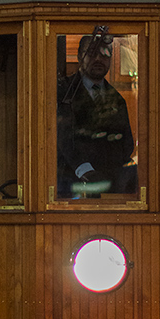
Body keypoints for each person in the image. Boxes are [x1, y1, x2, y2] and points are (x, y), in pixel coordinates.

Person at [57, 29, 136, 197]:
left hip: (109, 190)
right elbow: (61, 138)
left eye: (105, 54)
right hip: (71, 191)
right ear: (79, 57)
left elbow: (127, 143)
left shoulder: (117, 99)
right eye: (92, 53)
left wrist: (114, 174)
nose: (99, 59)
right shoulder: (62, 92)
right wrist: (86, 171)